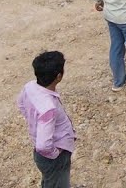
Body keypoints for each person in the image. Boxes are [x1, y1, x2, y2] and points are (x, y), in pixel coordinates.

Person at [16, 51, 76, 188]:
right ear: (58, 76)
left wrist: (33, 120)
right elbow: (43, 146)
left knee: (50, 182)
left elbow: (20, 103)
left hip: (42, 156)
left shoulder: (29, 87)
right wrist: (56, 153)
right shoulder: (48, 108)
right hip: (54, 157)